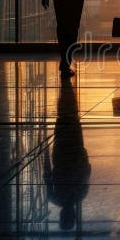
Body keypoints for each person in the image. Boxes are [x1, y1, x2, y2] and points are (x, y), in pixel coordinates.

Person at [44, 78, 91, 230]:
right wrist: (46, 152)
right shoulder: (54, 197)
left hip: (76, 150)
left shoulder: (81, 194)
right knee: (63, 118)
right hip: (60, 153)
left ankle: (67, 88)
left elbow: (86, 170)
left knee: (72, 118)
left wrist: (83, 154)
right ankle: (65, 88)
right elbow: (47, 174)